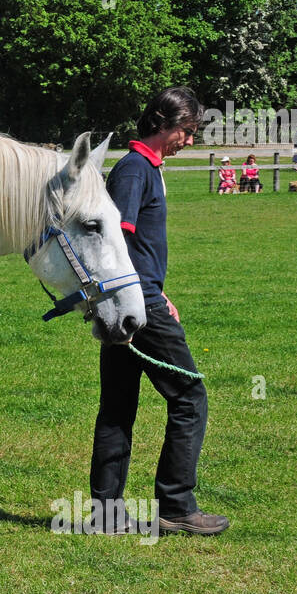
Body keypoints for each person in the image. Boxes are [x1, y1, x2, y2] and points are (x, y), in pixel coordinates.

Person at [90, 86, 228, 536]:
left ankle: (106, 514)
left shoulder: (145, 167)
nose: (188, 140)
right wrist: (149, 294)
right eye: (185, 131)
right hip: (136, 304)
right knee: (189, 397)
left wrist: (155, 290)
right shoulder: (133, 170)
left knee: (118, 405)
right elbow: (118, 243)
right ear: (160, 123)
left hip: (135, 298)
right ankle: (176, 505)